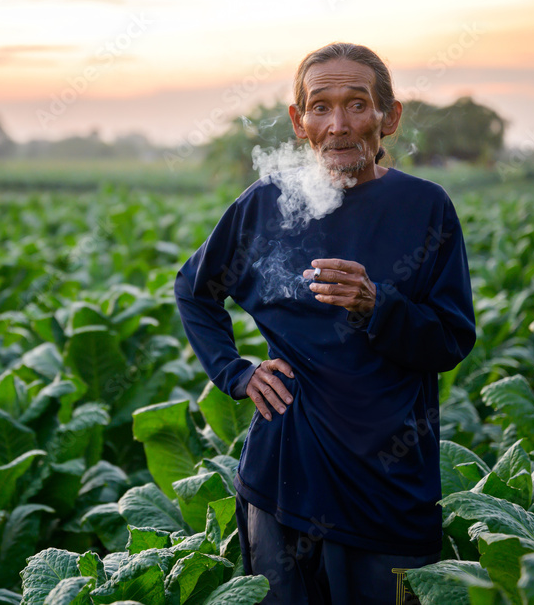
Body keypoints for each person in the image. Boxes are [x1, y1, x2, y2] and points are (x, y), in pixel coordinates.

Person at [173, 42, 477, 604]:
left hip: (389, 488)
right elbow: (195, 292)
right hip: (281, 480)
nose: (339, 125)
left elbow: (451, 340)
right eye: (320, 106)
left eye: (357, 104)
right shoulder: (264, 204)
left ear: (389, 116)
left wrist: (375, 305)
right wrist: (234, 372)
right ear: (298, 121)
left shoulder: (425, 207)